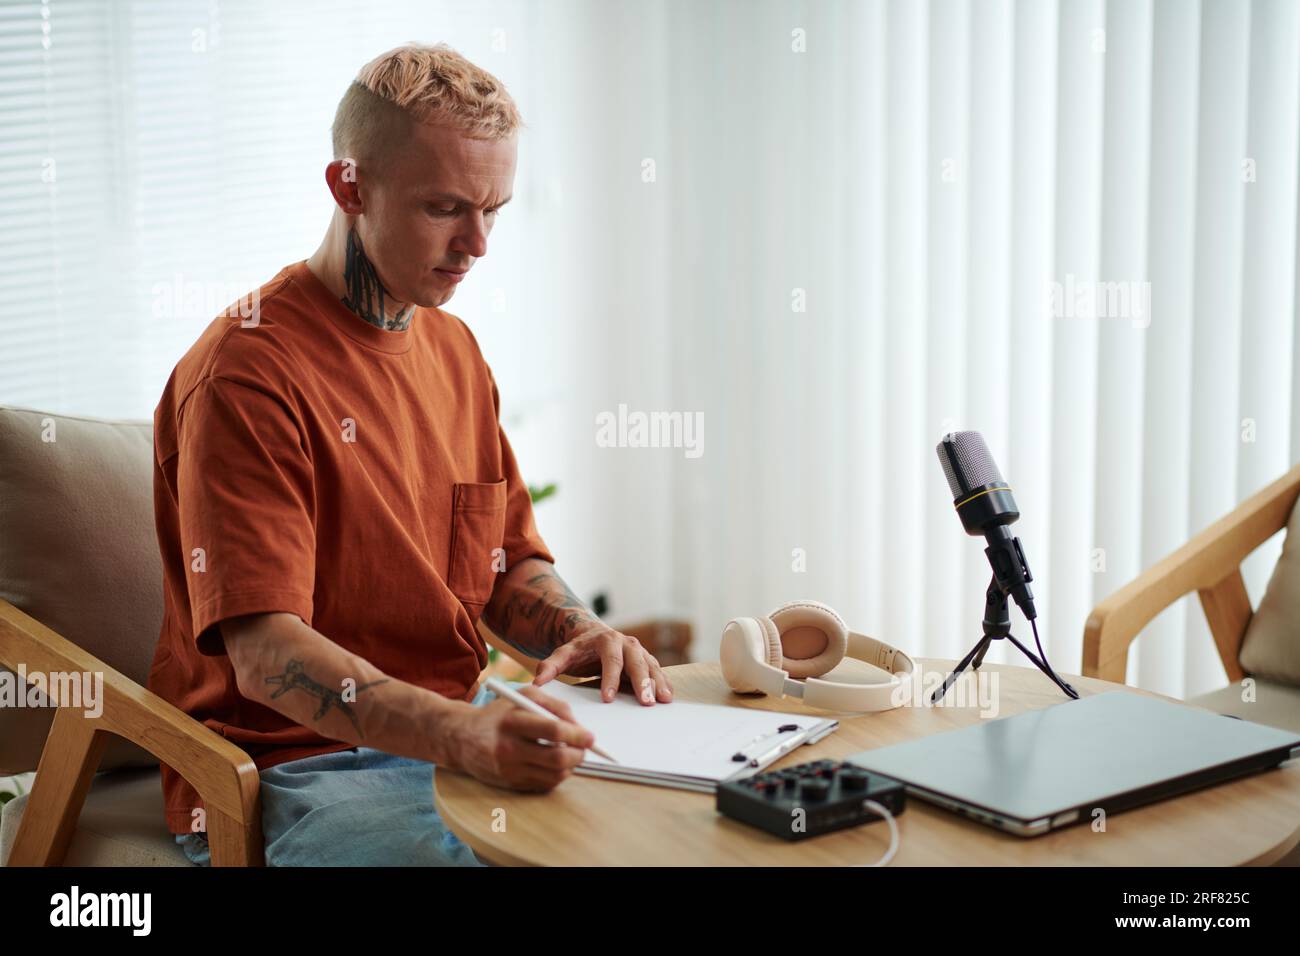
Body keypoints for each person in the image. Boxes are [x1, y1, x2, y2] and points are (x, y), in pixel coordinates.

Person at [146, 42, 672, 867]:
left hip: (453, 746)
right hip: (294, 771)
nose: (478, 244)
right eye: (445, 209)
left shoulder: (454, 350)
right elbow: (266, 655)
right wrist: (462, 734)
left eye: (493, 209)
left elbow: (506, 567)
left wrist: (583, 631)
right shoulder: (245, 372)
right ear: (349, 186)